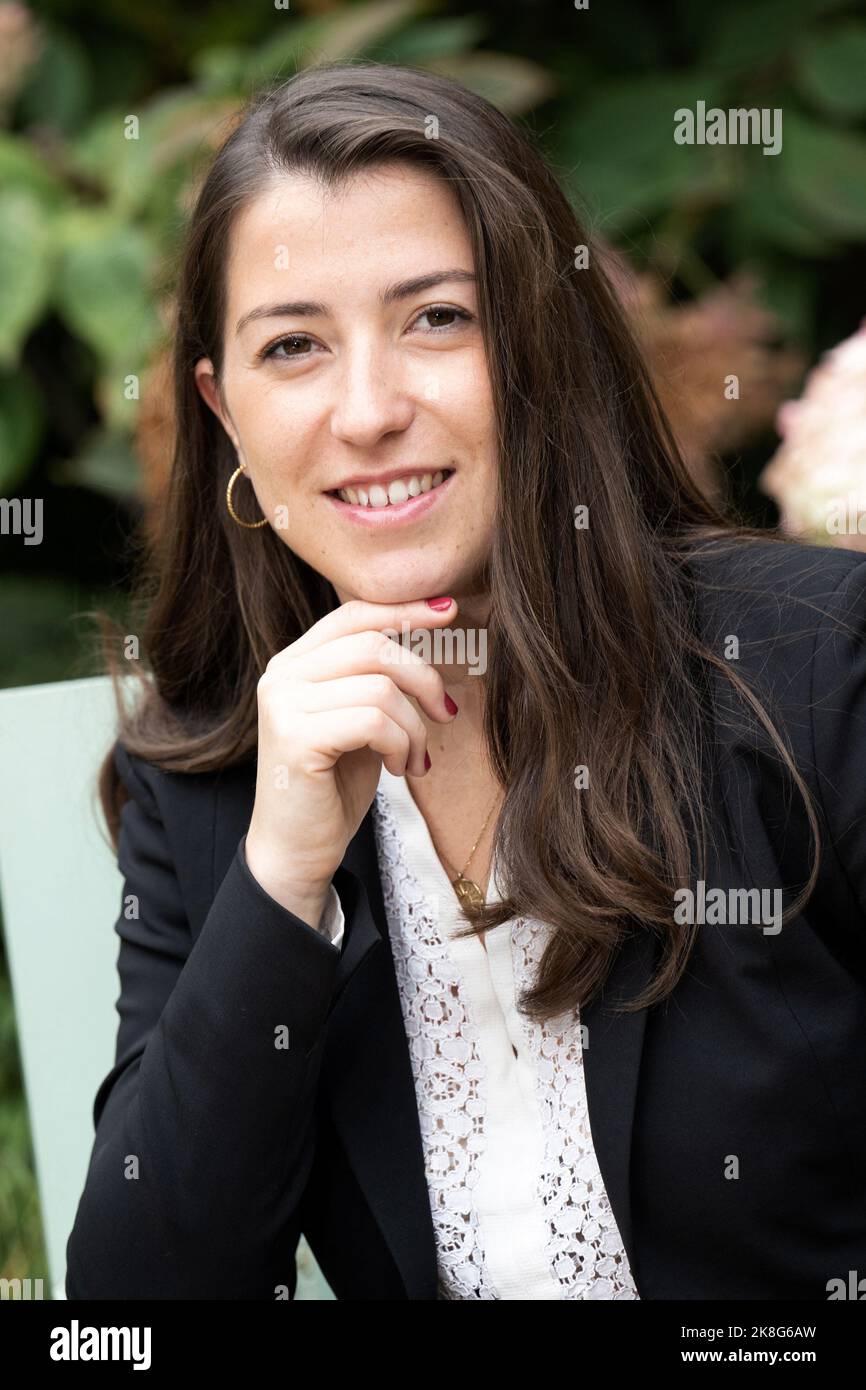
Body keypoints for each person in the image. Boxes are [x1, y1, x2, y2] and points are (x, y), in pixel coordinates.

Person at [65, 61, 866, 1301]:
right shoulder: (214, 777)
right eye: (293, 347)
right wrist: (282, 878)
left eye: (438, 317)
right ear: (224, 412)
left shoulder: (810, 667)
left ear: (542, 338)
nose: (370, 409)